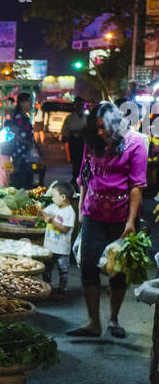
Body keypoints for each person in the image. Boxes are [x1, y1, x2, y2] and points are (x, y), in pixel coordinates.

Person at [68, 101, 148, 339]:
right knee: (88, 266)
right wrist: (82, 208)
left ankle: (113, 320)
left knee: (119, 271)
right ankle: (94, 323)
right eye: (96, 128)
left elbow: (136, 186)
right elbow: (85, 174)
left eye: (104, 127)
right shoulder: (93, 141)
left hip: (121, 216)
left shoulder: (136, 144)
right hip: (94, 212)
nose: (100, 132)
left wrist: (130, 222)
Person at [43, 181, 76, 296]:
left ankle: (62, 290)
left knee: (63, 270)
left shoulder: (69, 212)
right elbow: (44, 213)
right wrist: (39, 209)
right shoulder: (53, 207)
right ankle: (46, 287)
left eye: (53, 196)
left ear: (63, 197)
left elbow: (65, 229)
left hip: (62, 249)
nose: (51, 199)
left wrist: (51, 221)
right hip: (49, 247)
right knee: (47, 268)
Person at [2, 92, 37, 189]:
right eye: (29, 101)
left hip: (24, 152)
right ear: (22, 102)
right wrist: (27, 143)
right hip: (18, 152)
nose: (31, 103)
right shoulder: (17, 116)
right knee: (21, 178)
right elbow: (13, 132)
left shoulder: (22, 116)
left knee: (24, 178)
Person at [60, 96, 87, 184]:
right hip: (74, 141)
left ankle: (82, 178)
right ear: (74, 106)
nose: (79, 106)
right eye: (78, 104)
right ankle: (75, 178)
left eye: (81, 104)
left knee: (84, 161)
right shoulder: (70, 118)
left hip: (84, 142)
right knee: (75, 161)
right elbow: (64, 131)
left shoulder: (87, 117)